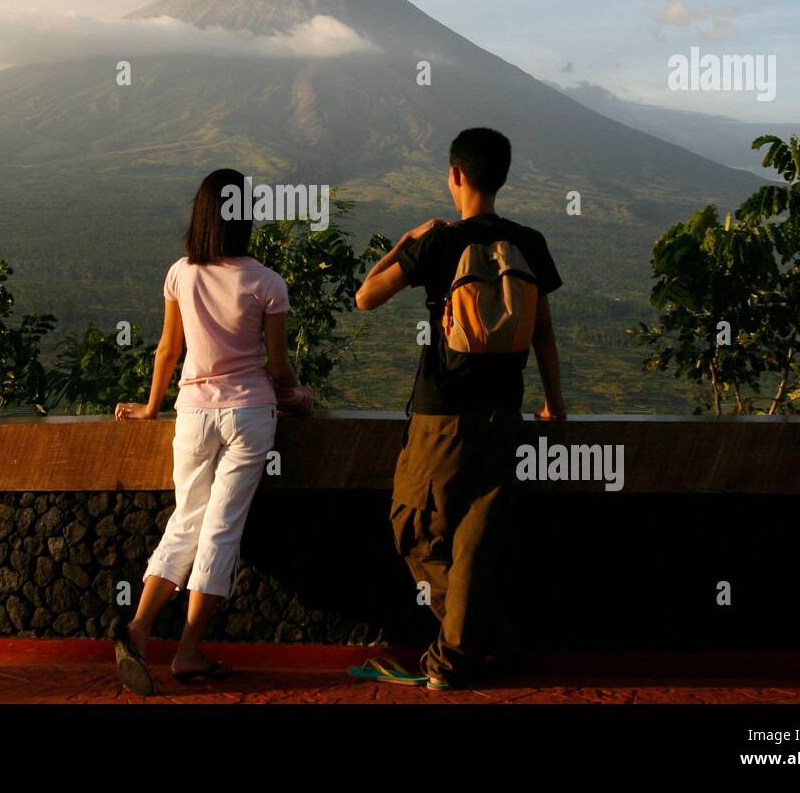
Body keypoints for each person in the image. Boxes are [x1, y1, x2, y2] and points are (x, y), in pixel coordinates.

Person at [354, 127, 566, 690]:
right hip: (505, 410)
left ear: (455, 175)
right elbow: (543, 331)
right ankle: (474, 645)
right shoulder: (530, 240)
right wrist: (556, 402)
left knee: (412, 523)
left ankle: (459, 651)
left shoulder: (440, 242)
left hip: (441, 413)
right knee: (476, 538)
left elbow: (365, 297)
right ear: (503, 177)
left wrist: (407, 238)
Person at [112, 168, 307, 695]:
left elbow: (167, 351)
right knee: (221, 530)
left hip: (192, 414)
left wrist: (152, 407)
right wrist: (302, 398)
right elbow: (279, 366)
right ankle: (189, 651)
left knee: (186, 520)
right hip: (249, 415)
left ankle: (139, 625)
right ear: (246, 216)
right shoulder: (266, 282)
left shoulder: (181, 273)